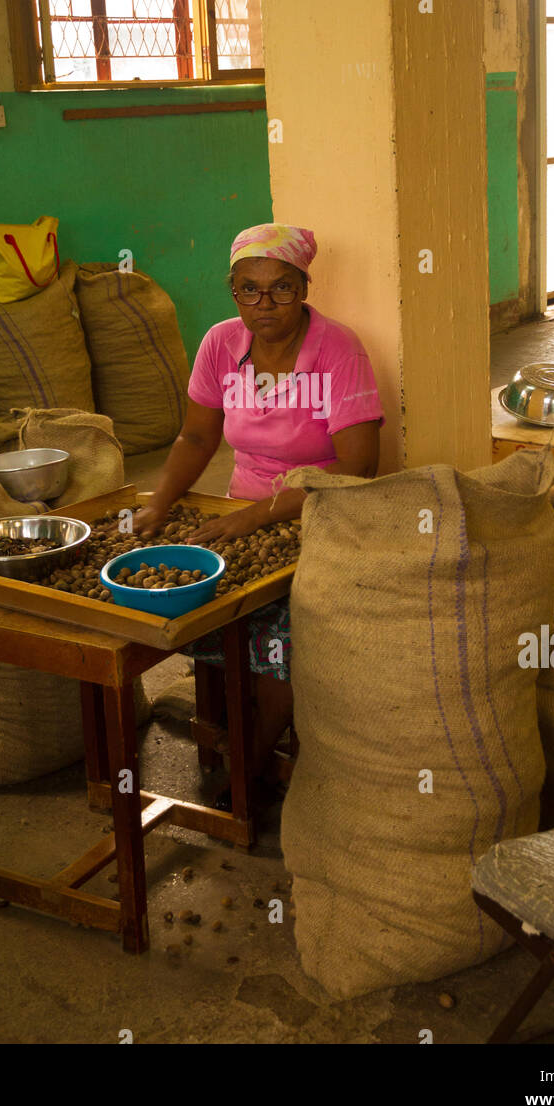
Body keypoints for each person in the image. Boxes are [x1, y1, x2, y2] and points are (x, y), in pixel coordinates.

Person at [136, 222, 384, 775]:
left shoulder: (337, 348)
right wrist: (158, 502)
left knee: (282, 631)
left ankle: (248, 763)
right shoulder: (221, 343)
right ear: (234, 292)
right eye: (249, 289)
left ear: (304, 288)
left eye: (281, 288)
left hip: (324, 514)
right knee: (203, 601)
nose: (264, 303)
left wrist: (256, 518)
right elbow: (197, 437)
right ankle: (223, 721)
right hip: (239, 511)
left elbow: (358, 466)